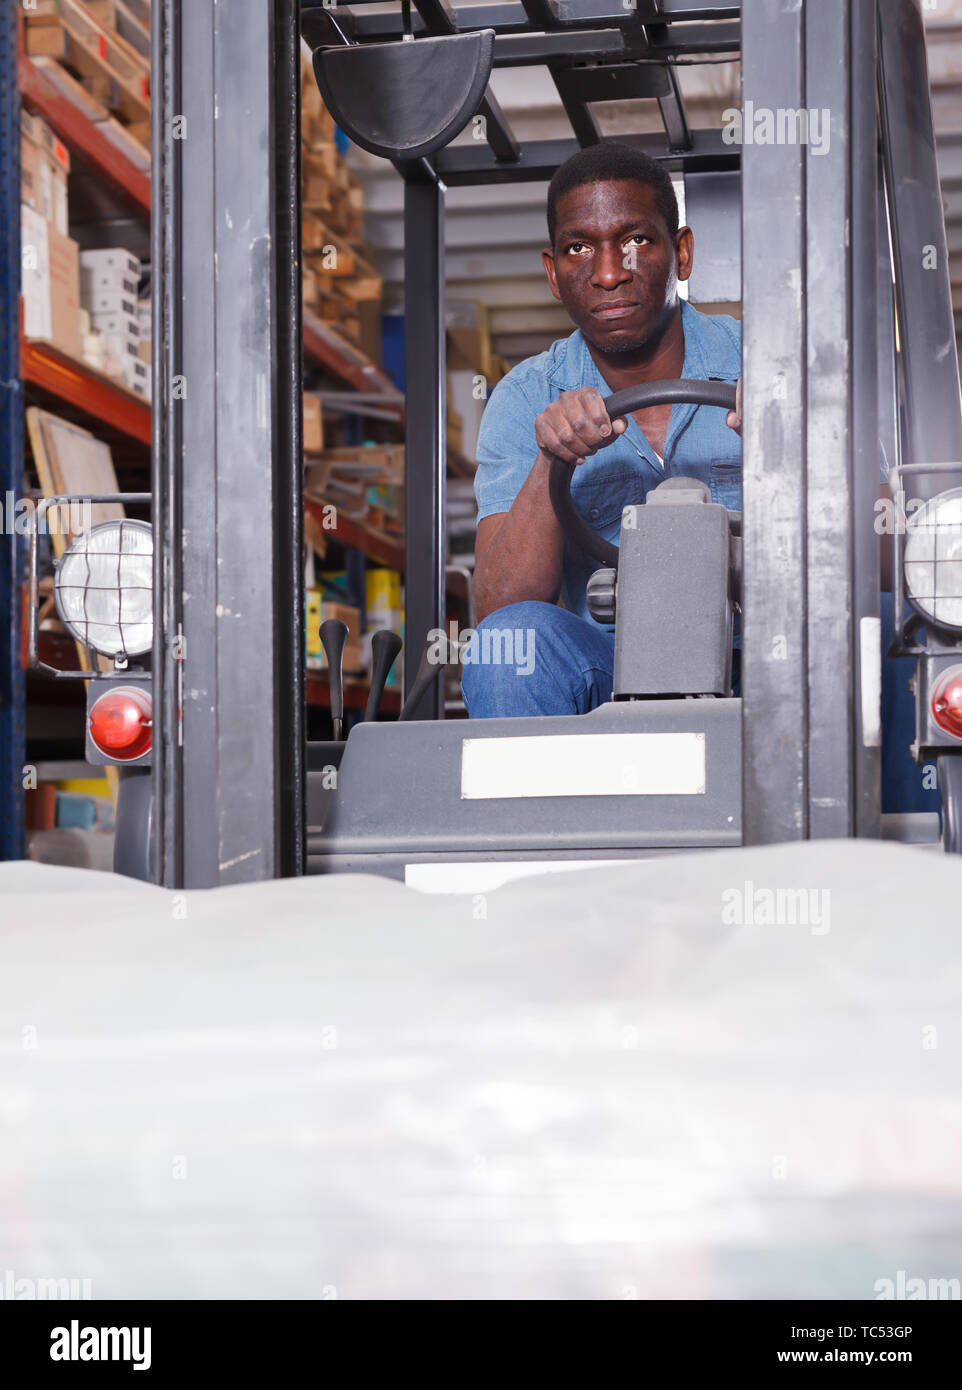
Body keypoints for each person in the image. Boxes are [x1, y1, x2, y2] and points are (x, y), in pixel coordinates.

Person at [463, 141, 742, 718]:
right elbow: (498, 612)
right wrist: (550, 459)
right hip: (610, 672)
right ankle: (543, 813)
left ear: (682, 253)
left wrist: (799, 449)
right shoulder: (526, 396)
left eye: (635, 240)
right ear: (553, 272)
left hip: (776, 659)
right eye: (579, 248)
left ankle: (900, 810)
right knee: (510, 648)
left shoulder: (774, 368)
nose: (610, 273)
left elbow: (890, 552)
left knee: (880, 619)